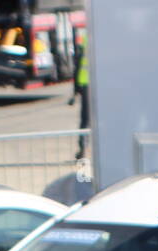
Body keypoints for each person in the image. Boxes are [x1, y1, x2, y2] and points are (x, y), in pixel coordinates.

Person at [69, 31, 89, 159]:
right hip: (96, 84)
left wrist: (76, 88)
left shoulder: (85, 38)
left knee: (85, 120)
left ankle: (82, 149)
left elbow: (78, 63)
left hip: (85, 84)